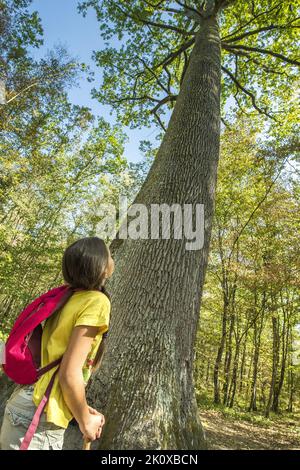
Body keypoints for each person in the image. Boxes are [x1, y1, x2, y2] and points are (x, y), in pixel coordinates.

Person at [0, 237, 114, 450]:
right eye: (109, 255)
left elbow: (56, 363)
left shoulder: (65, 296)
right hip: (39, 416)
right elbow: (69, 373)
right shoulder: (97, 301)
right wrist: (85, 422)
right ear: (101, 266)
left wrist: (82, 408)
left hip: (26, 400)